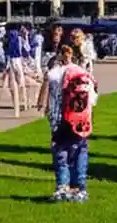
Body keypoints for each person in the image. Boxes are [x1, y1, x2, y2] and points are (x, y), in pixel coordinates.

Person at [35, 44, 98, 202]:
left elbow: (47, 95)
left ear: (59, 55)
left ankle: (63, 187)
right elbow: (93, 99)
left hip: (59, 119)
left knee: (61, 152)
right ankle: (80, 188)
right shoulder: (83, 73)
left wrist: (43, 107)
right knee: (80, 151)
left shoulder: (53, 73)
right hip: (80, 120)